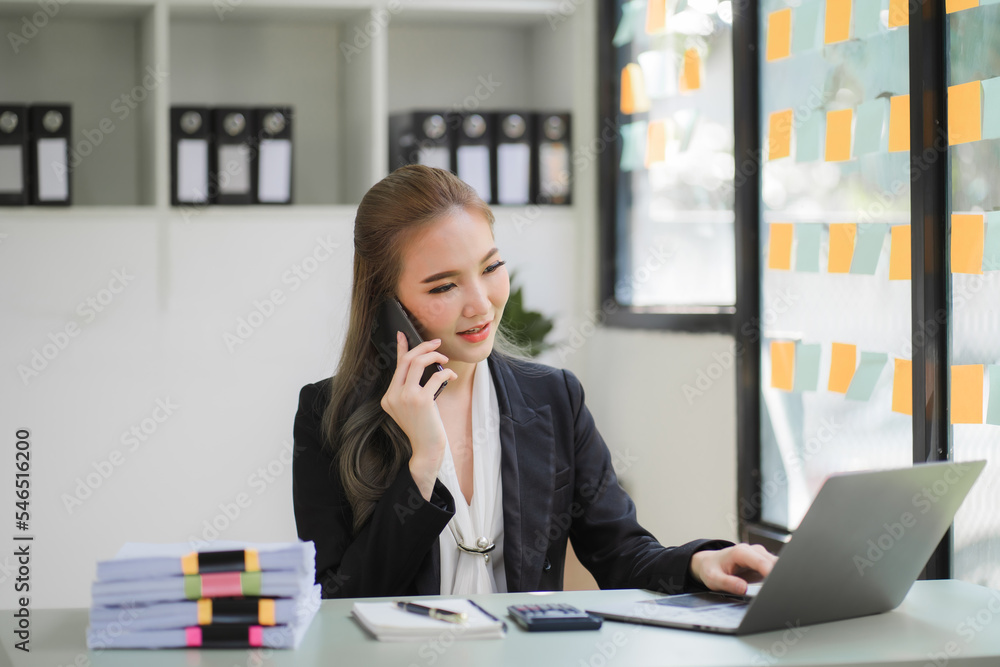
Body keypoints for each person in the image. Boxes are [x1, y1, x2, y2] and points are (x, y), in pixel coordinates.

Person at [292, 165, 776, 598]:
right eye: (444, 286)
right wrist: (423, 464)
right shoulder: (325, 415)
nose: (481, 303)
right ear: (387, 306)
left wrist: (698, 563)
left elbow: (621, 553)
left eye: (491, 268)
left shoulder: (554, 399)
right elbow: (337, 599)